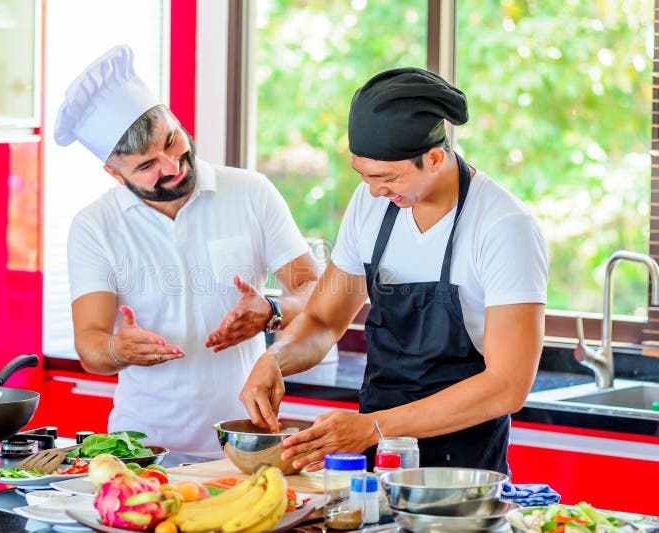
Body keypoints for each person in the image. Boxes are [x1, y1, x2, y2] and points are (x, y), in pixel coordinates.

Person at [239, 67, 548, 474]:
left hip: (461, 470)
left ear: (435, 158)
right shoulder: (371, 204)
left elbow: (507, 386)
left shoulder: (504, 227)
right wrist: (275, 359)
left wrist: (374, 427)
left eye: (385, 177)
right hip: (374, 455)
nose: (373, 191)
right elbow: (322, 320)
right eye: (362, 175)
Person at [54, 45, 318, 457]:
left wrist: (273, 309)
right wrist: (116, 350)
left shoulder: (250, 192)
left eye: (171, 141)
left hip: (243, 439)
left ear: (176, 121)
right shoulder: (95, 226)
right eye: (147, 166)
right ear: (114, 173)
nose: (172, 166)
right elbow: (90, 345)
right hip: (142, 450)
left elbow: (318, 292)